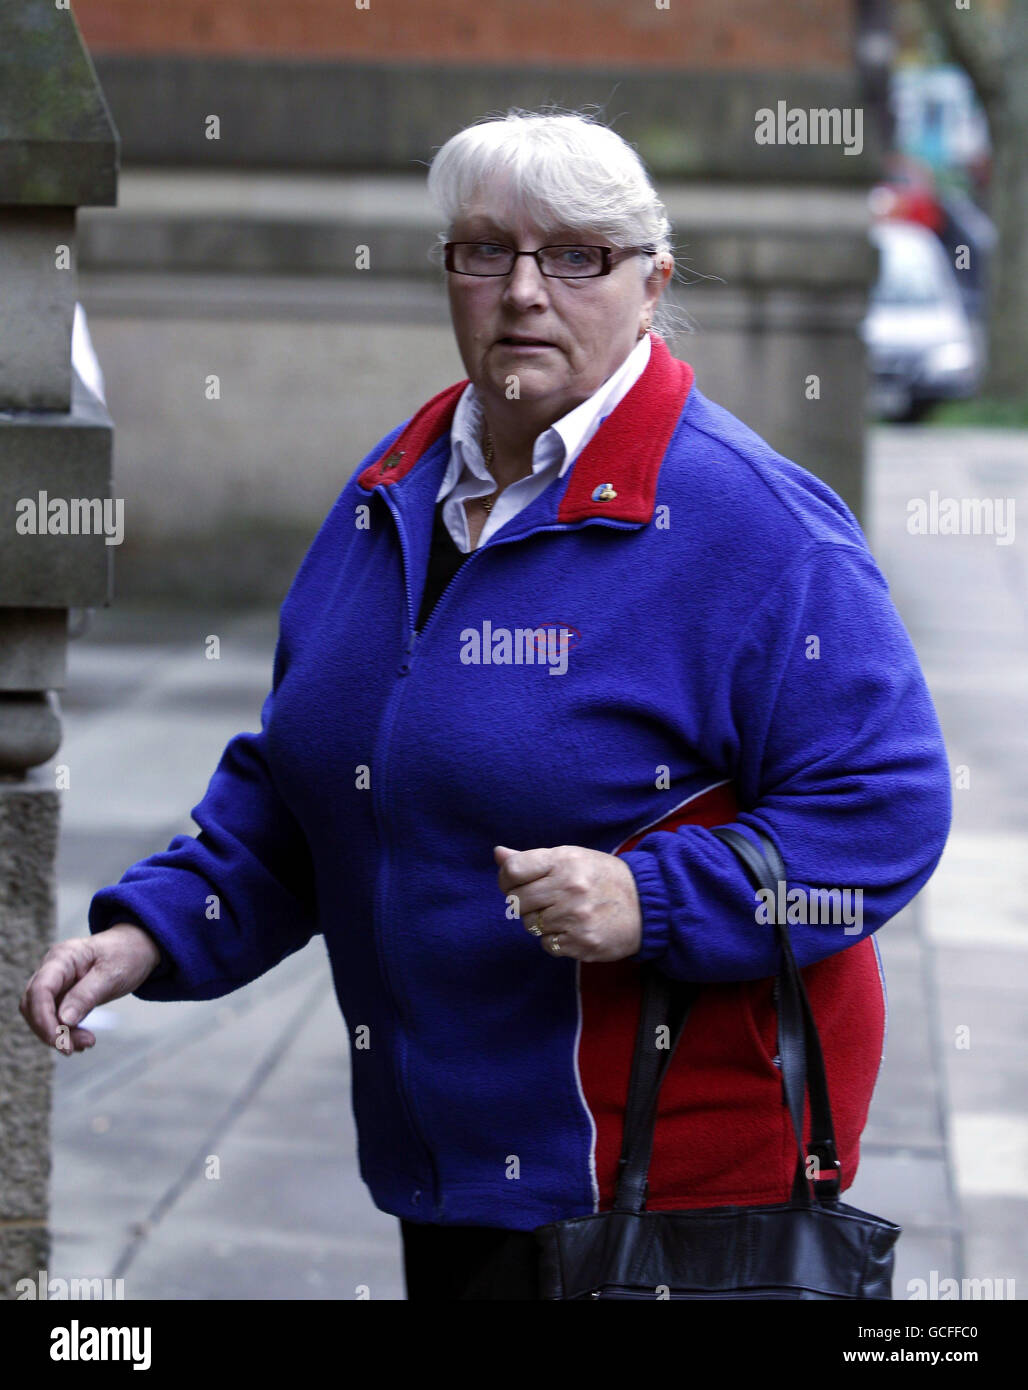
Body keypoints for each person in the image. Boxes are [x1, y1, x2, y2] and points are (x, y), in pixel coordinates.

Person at [21, 109, 952, 1301]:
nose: (523, 290)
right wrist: (153, 928)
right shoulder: (391, 490)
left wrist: (649, 898)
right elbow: (316, 774)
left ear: (651, 281)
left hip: (675, 1202)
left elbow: (884, 808)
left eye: (575, 255)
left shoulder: (758, 528)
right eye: (484, 251)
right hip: (446, 1173)